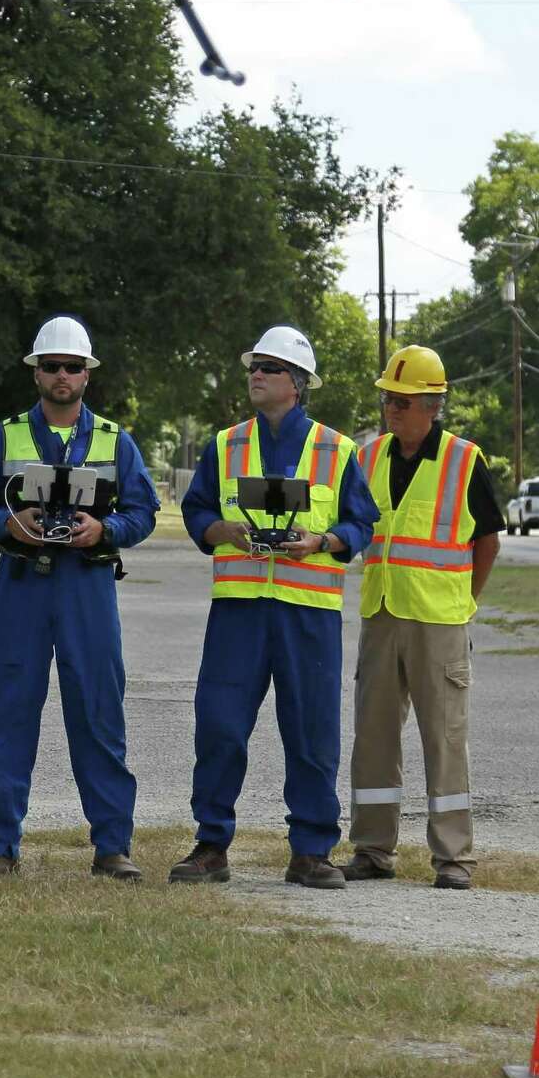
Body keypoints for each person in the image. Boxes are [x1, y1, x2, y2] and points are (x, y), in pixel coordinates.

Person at [172, 325, 378, 889]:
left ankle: (311, 851)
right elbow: (196, 511)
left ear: (298, 383)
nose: (256, 375)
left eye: (269, 367)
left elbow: (361, 523)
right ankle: (211, 845)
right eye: (254, 367)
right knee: (219, 726)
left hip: (308, 613)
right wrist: (219, 530)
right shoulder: (225, 444)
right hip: (239, 610)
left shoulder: (337, 450)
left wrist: (321, 541)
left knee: (312, 733)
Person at [0, 315, 160, 881]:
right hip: (22, 584)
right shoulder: (4, 437)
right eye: (52, 366)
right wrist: (8, 524)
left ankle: (112, 847)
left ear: (87, 374)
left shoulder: (115, 440)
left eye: (72, 366)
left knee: (99, 713)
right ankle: (0, 848)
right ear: (36, 373)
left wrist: (106, 530)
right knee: (7, 713)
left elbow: (144, 511)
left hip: (87, 586)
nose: (62, 375)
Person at [339, 344, 503, 890]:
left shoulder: (464, 459)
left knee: (445, 738)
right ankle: (372, 849)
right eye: (388, 398)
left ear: (432, 406)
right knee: (373, 736)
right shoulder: (367, 459)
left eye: (403, 401)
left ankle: (453, 857)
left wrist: (463, 601)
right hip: (381, 615)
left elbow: (487, 541)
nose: (392, 408)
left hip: (439, 623)